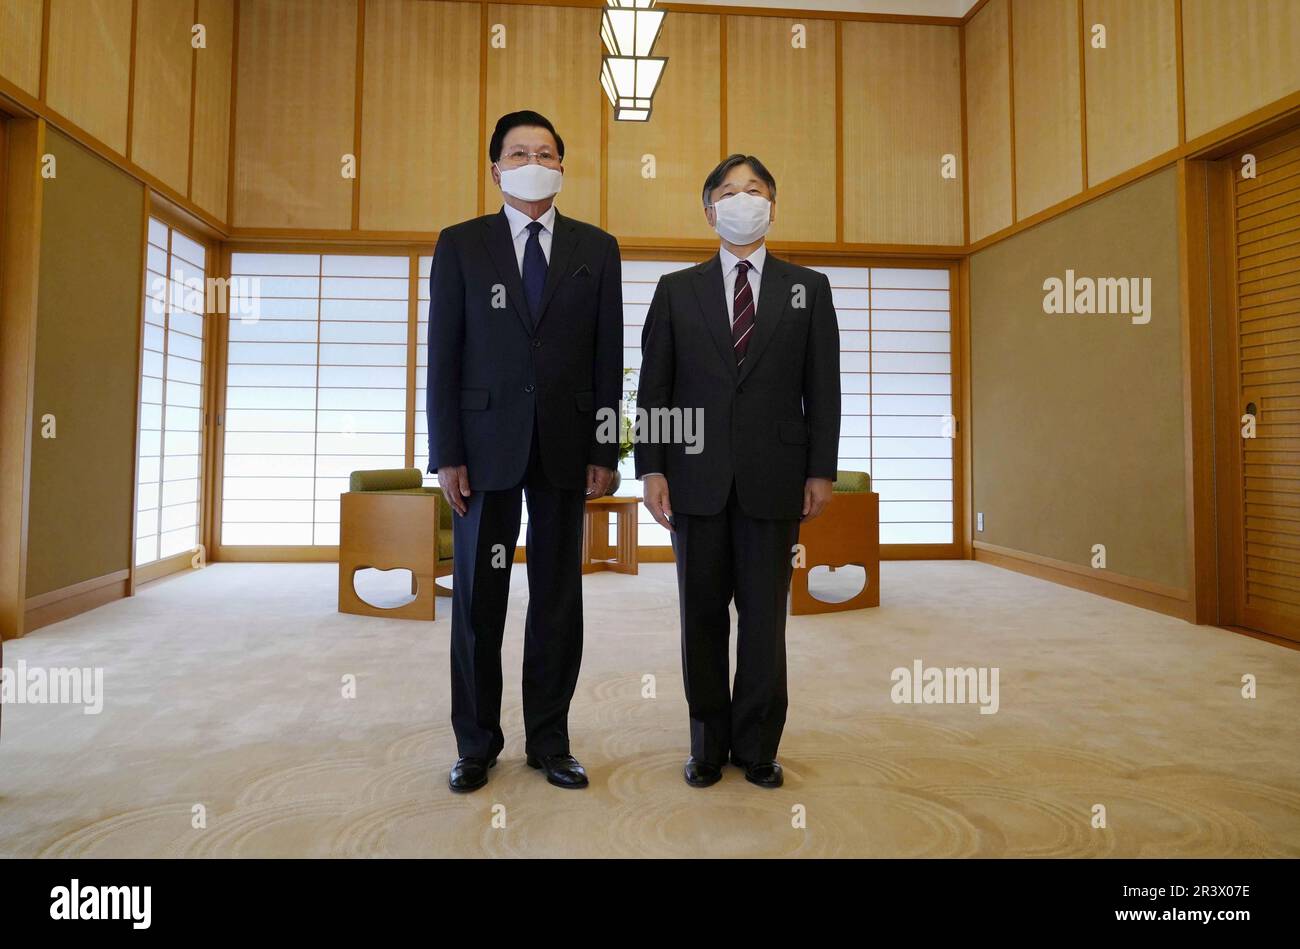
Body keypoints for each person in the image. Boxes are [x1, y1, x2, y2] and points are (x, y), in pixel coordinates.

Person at [427, 111, 622, 792]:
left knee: (558, 597)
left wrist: (605, 445)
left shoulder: (597, 248)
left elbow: (607, 354)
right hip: (483, 450)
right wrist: (447, 451)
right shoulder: (460, 244)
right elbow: (443, 353)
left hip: (567, 447)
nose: (532, 162)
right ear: (495, 170)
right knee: (479, 599)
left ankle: (550, 740)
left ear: (562, 167)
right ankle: (475, 743)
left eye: (545, 153)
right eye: (518, 153)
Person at [635, 154, 841, 788]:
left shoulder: (809, 288)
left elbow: (823, 388)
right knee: (700, 617)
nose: (741, 200)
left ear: (772, 208)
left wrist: (821, 470)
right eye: (728, 192)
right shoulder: (676, 289)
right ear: (709, 212)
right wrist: (652, 468)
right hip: (693, 480)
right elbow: (655, 388)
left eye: (754, 190)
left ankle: (757, 746)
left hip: (774, 479)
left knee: (763, 619)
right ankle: (706, 744)